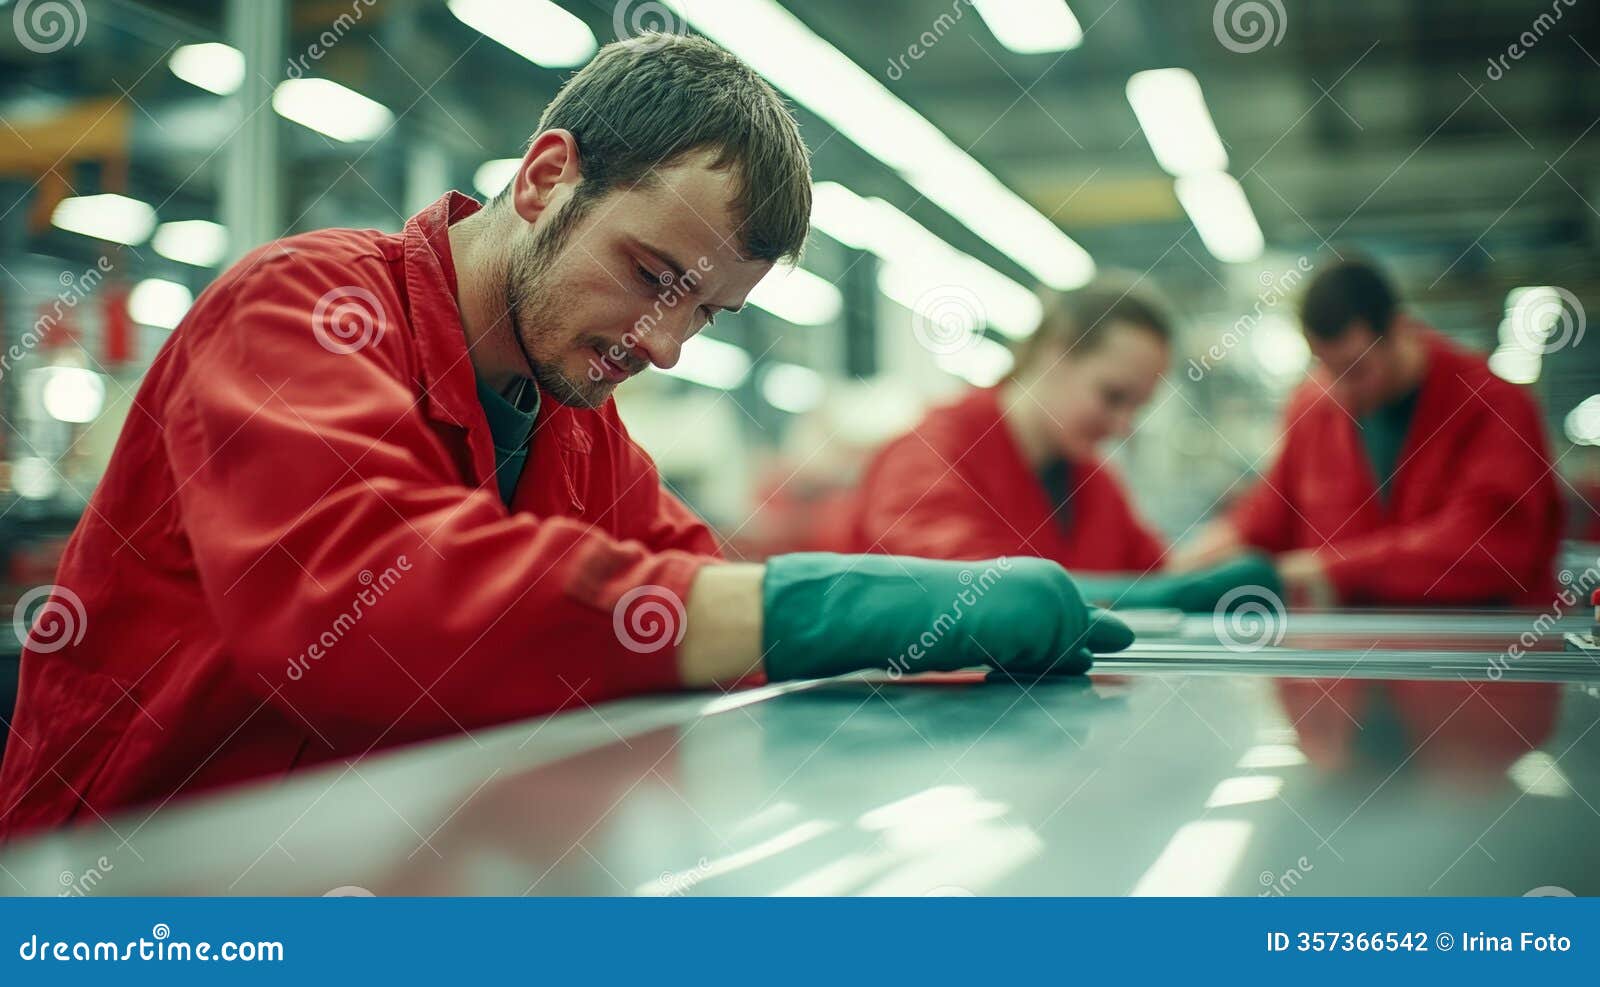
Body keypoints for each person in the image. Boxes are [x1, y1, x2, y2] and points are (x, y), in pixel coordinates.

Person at [0, 36, 1133, 839]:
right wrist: (825, 604)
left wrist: (942, 612)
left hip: (358, 869)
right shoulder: (297, 310)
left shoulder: (575, 427)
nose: (669, 344)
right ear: (547, 177)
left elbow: (688, 599)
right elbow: (371, 604)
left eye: (707, 312)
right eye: (653, 278)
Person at [1169, 257, 1562, 607]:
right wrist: (1179, 569)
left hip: (1486, 658)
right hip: (1348, 661)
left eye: (1355, 370)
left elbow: (1488, 548)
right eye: (1327, 368)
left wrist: (1330, 570)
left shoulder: (1495, 406)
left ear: (1398, 330)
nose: (1340, 391)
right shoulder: (1313, 406)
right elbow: (1268, 518)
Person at [848, 286, 1171, 573]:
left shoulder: (1094, 484)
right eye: (1112, 397)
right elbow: (965, 585)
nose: (1122, 425)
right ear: (1057, 352)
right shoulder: (930, 454)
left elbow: (1157, 575)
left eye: (1137, 407)